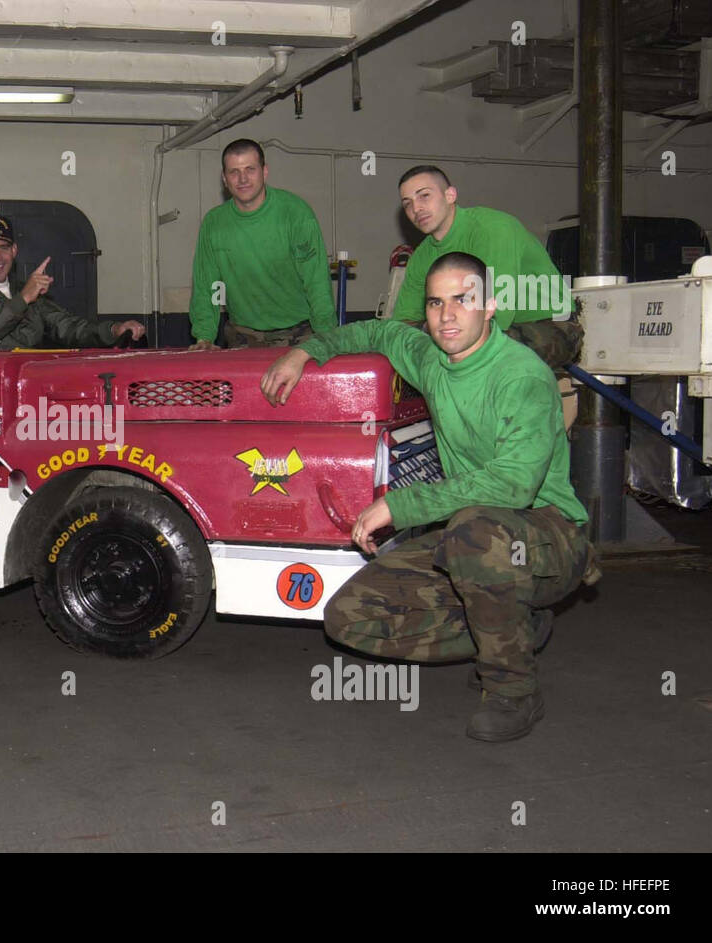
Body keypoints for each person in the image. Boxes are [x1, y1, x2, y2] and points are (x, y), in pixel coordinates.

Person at [260, 252, 598, 742]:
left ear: (491, 306)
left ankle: (512, 690)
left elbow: (513, 485)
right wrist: (305, 352)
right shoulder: (431, 360)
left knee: (475, 535)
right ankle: (512, 628)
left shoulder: (521, 377)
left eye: (463, 300)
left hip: (549, 534)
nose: (447, 315)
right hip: (474, 535)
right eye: (437, 302)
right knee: (348, 618)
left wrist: (401, 504)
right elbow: (376, 333)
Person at [392, 165, 582, 368]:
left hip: (553, 325)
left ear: (450, 195)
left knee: (474, 348)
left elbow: (496, 318)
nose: (416, 208)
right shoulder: (422, 256)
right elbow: (403, 322)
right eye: (407, 204)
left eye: (424, 196)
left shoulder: (492, 230)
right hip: (478, 330)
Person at [188, 139, 335, 350]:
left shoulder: (295, 213)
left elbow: (316, 280)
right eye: (234, 172)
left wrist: (326, 337)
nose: (242, 179)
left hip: (300, 334)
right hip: (242, 335)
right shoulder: (214, 223)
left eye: (250, 169)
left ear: (264, 172)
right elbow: (206, 285)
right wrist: (204, 337)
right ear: (224, 178)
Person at [0, 215, 144, 350]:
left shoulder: (26, 289)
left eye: (3, 248)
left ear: (14, 251)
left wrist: (112, 330)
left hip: (28, 387)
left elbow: (67, 326)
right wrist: (22, 299)